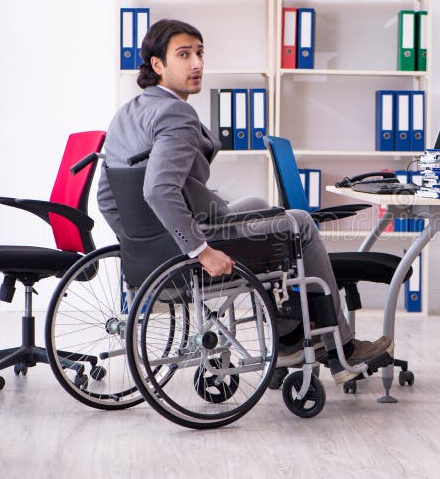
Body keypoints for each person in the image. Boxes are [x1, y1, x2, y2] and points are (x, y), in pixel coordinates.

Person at [97, 19, 392, 383]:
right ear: (157, 64)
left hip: (158, 248)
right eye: (184, 55)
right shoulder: (175, 113)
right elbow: (158, 190)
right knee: (299, 223)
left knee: (255, 203)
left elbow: (106, 198)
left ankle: (289, 336)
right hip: (193, 244)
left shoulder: (126, 113)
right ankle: (340, 350)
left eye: (200, 53)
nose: (197, 64)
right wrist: (200, 251)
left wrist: (141, 244)